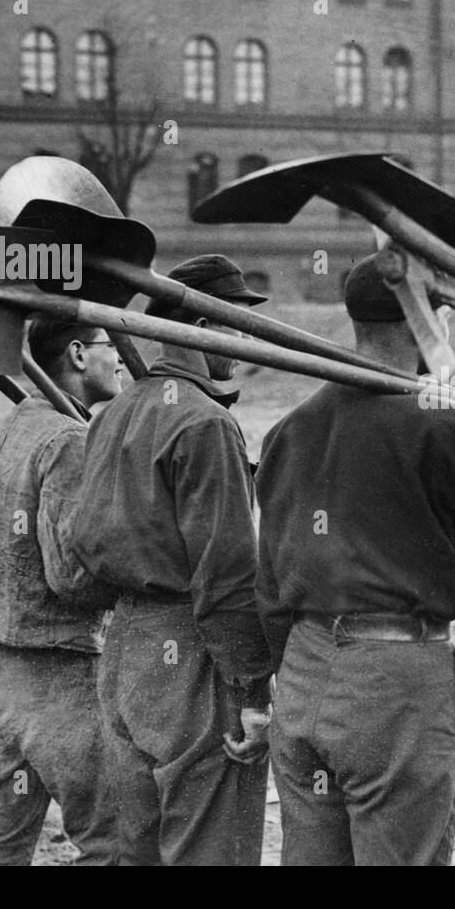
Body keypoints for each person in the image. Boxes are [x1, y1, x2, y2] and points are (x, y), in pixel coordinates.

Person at [255, 254, 455, 866]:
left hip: (303, 677)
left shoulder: (287, 430)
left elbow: (269, 582)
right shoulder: (437, 427)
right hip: (394, 689)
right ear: (431, 322)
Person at [68, 254, 273, 866]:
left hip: (125, 651)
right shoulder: (206, 422)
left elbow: (88, 540)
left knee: (141, 849)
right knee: (213, 843)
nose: (239, 341)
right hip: (191, 654)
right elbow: (229, 571)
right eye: (231, 323)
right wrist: (251, 693)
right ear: (198, 324)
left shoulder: (114, 414)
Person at [0, 317, 124, 865]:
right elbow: (70, 577)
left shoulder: (19, 420)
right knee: (111, 837)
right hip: (49, 669)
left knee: (4, 837)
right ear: (75, 354)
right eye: (110, 345)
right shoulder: (68, 439)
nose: (119, 359)